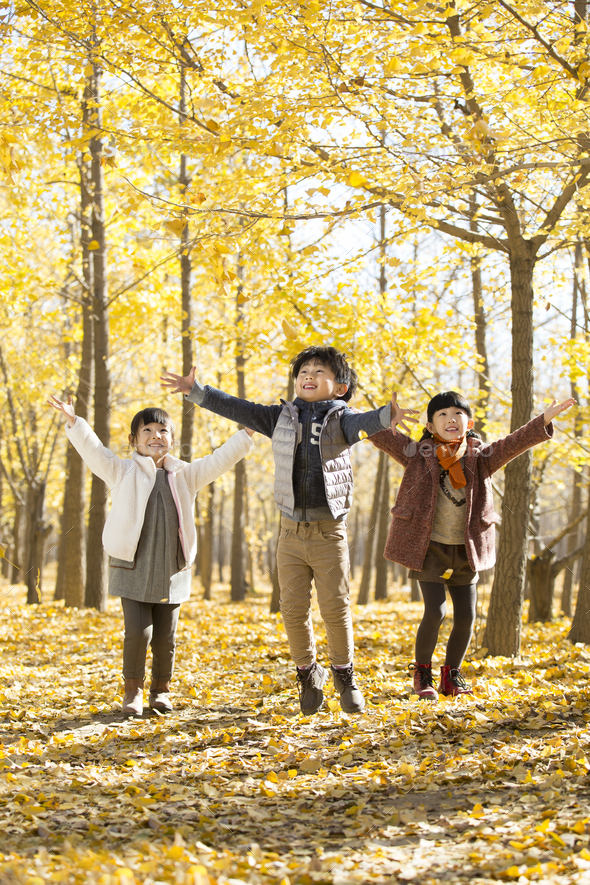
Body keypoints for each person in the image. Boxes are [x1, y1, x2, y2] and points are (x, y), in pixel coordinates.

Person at [161, 346, 417, 715]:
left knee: (335, 608)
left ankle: (344, 676)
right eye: (303, 371)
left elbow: (363, 424)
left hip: (329, 533)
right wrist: (196, 391)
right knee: (293, 609)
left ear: (340, 388)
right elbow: (237, 407)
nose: (309, 375)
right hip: (290, 533)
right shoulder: (278, 416)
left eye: (319, 371)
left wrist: (385, 416)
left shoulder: (342, 420)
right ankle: (308, 674)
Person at [48, 394, 254, 716]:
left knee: (165, 637)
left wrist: (247, 432)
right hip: (132, 565)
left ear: (172, 439)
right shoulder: (122, 471)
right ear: (134, 440)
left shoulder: (185, 475)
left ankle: (161, 690)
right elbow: (95, 451)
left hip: (172, 568)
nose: (156, 436)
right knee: (137, 632)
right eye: (147, 430)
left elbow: (219, 460)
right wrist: (75, 422)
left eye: (163, 431)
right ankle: (133, 691)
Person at [370, 390, 575, 699]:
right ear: (430, 425)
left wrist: (543, 420)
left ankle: (451, 676)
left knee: (466, 616)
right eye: (442, 414)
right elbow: (380, 436)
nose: (451, 419)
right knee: (435, 611)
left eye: (457, 414)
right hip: (429, 547)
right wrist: (384, 417)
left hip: (467, 549)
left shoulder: (481, 458)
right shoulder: (417, 453)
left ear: (469, 423)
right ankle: (422, 675)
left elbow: (514, 443)